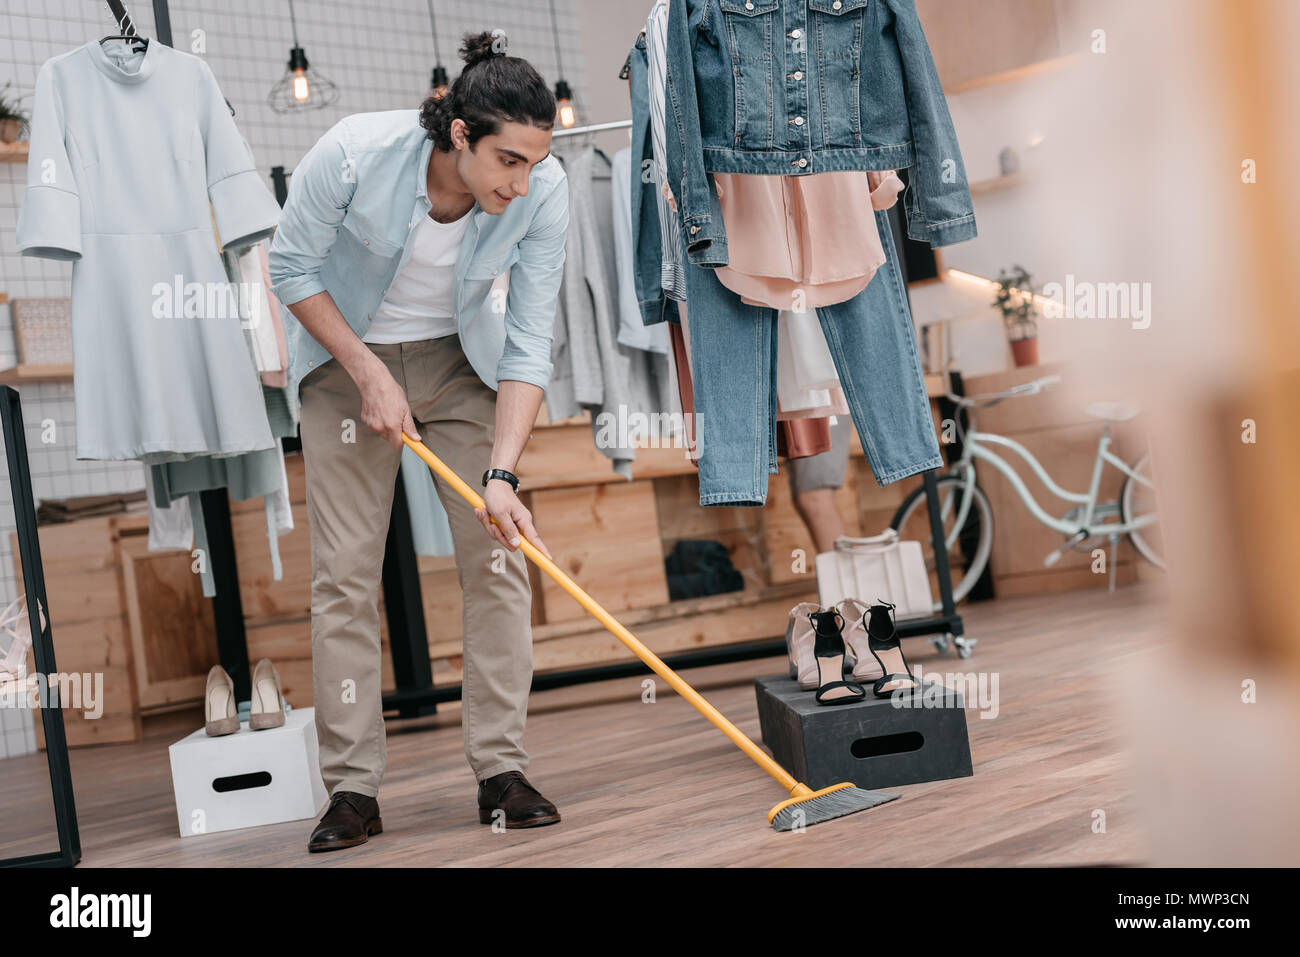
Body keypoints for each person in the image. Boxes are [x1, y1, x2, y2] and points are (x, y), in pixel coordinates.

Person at [268, 30, 569, 853]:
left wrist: (502, 473)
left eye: (536, 162)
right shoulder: (355, 153)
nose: (524, 180)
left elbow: (530, 342)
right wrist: (367, 371)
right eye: (510, 160)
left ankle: (501, 770)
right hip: (346, 359)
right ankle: (353, 790)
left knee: (501, 556)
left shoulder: (544, 194)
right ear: (461, 134)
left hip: (464, 364)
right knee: (345, 576)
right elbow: (290, 268)